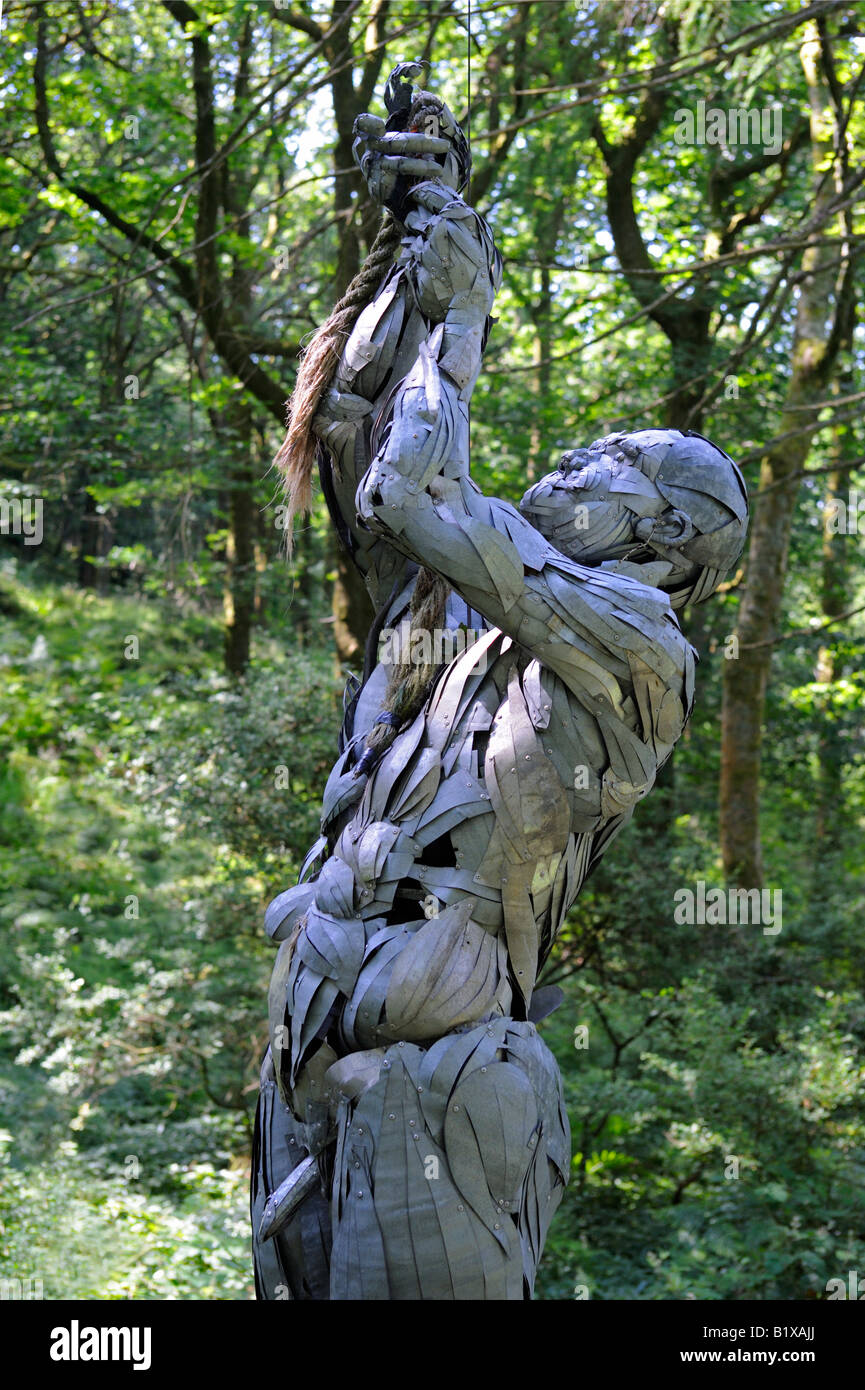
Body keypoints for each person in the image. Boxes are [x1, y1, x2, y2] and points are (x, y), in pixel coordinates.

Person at [251, 70, 748, 1301]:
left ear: (668, 541)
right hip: (314, 1057)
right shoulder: (470, 622)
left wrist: (470, 316)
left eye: (615, 461)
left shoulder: (640, 654)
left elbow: (426, 496)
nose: (577, 455)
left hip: (442, 1093)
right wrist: (427, 243)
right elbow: (373, 447)